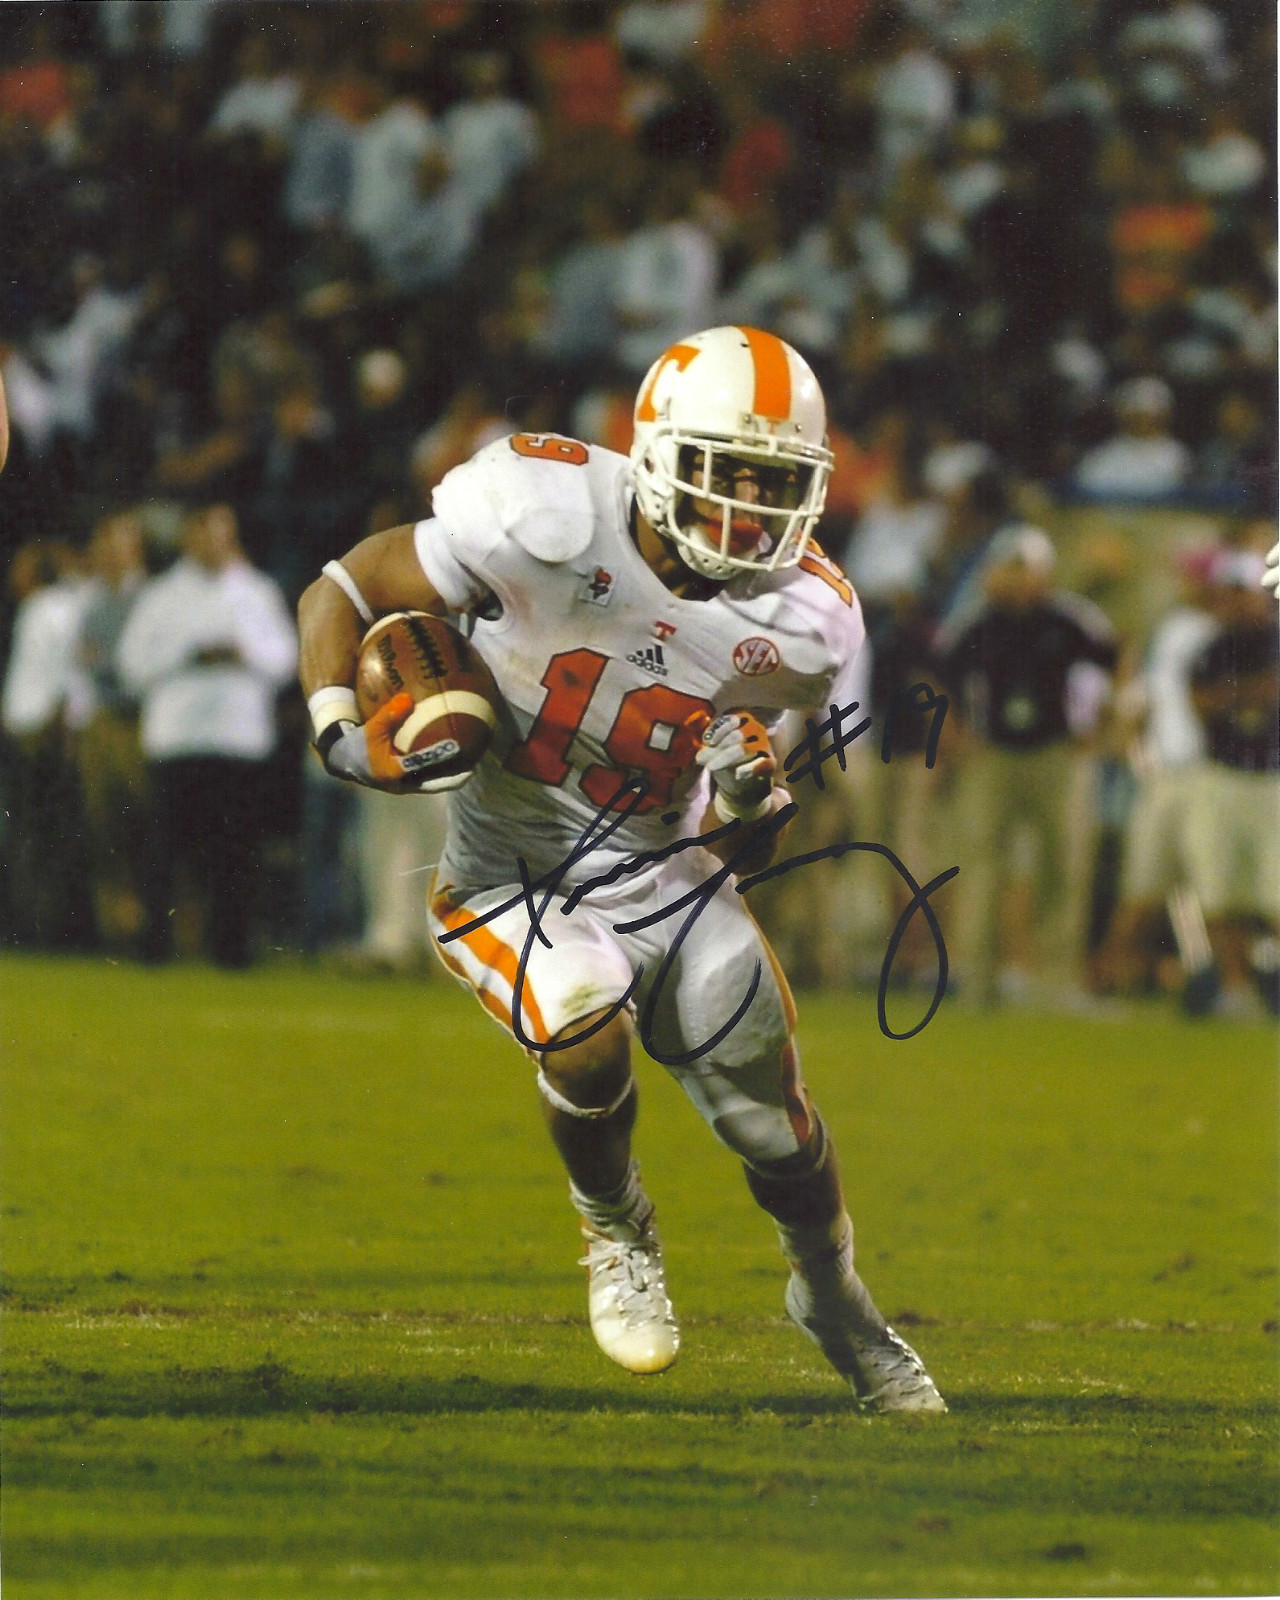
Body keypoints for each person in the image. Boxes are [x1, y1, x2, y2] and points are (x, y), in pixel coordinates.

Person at [296, 326, 945, 1413]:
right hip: (512, 870)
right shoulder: (536, 512)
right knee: (583, 1028)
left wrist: (750, 796)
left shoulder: (803, 621)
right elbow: (347, 586)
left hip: (669, 873)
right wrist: (336, 732)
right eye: (726, 476)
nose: (747, 513)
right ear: (653, 451)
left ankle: (832, 1297)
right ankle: (615, 1227)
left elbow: (747, 829)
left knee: (773, 1131)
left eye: (773, 486)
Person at [938, 525, 1118, 1007]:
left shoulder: (1069, 618)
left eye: (1026, 569)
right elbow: (942, 676)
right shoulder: (979, 621)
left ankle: (1055, 981)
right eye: (1010, 568)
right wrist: (957, 734)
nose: (1018, 579)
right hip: (994, 753)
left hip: (1055, 753)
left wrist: (1099, 727)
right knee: (982, 866)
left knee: (1062, 864)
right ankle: (977, 982)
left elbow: (1116, 660)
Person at [117, 502, 297, 968]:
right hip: (177, 738)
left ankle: (231, 949)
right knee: (164, 851)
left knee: (234, 853)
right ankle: (153, 945)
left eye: (223, 532)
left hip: (238, 739)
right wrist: (188, 655)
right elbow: (131, 666)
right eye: (205, 532)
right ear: (189, 537)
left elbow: (284, 660)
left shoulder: (256, 591)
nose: (215, 542)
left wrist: (244, 652)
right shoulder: (161, 596)